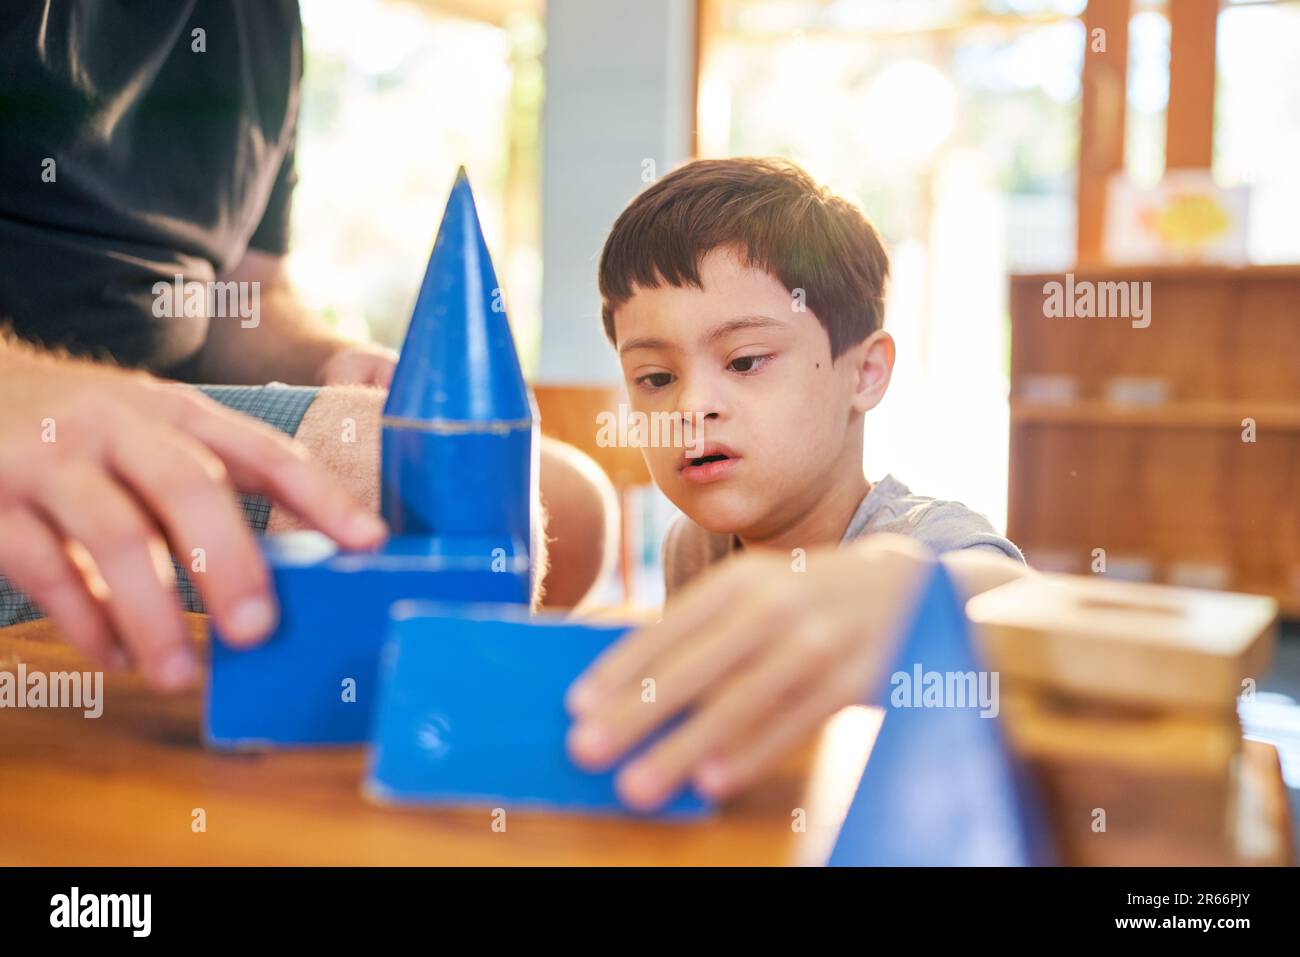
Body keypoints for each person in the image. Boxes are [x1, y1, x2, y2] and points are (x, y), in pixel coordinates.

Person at [0, 1, 614, 690]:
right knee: (410, 490)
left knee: (567, 498)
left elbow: (250, 299)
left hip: (166, 404)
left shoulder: (262, 20)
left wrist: (330, 358)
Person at [565, 158, 1035, 810]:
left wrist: (906, 592)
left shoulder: (925, 537)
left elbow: (1020, 606)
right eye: (655, 377)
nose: (692, 405)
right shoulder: (694, 547)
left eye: (746, 360)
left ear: (865, 372)